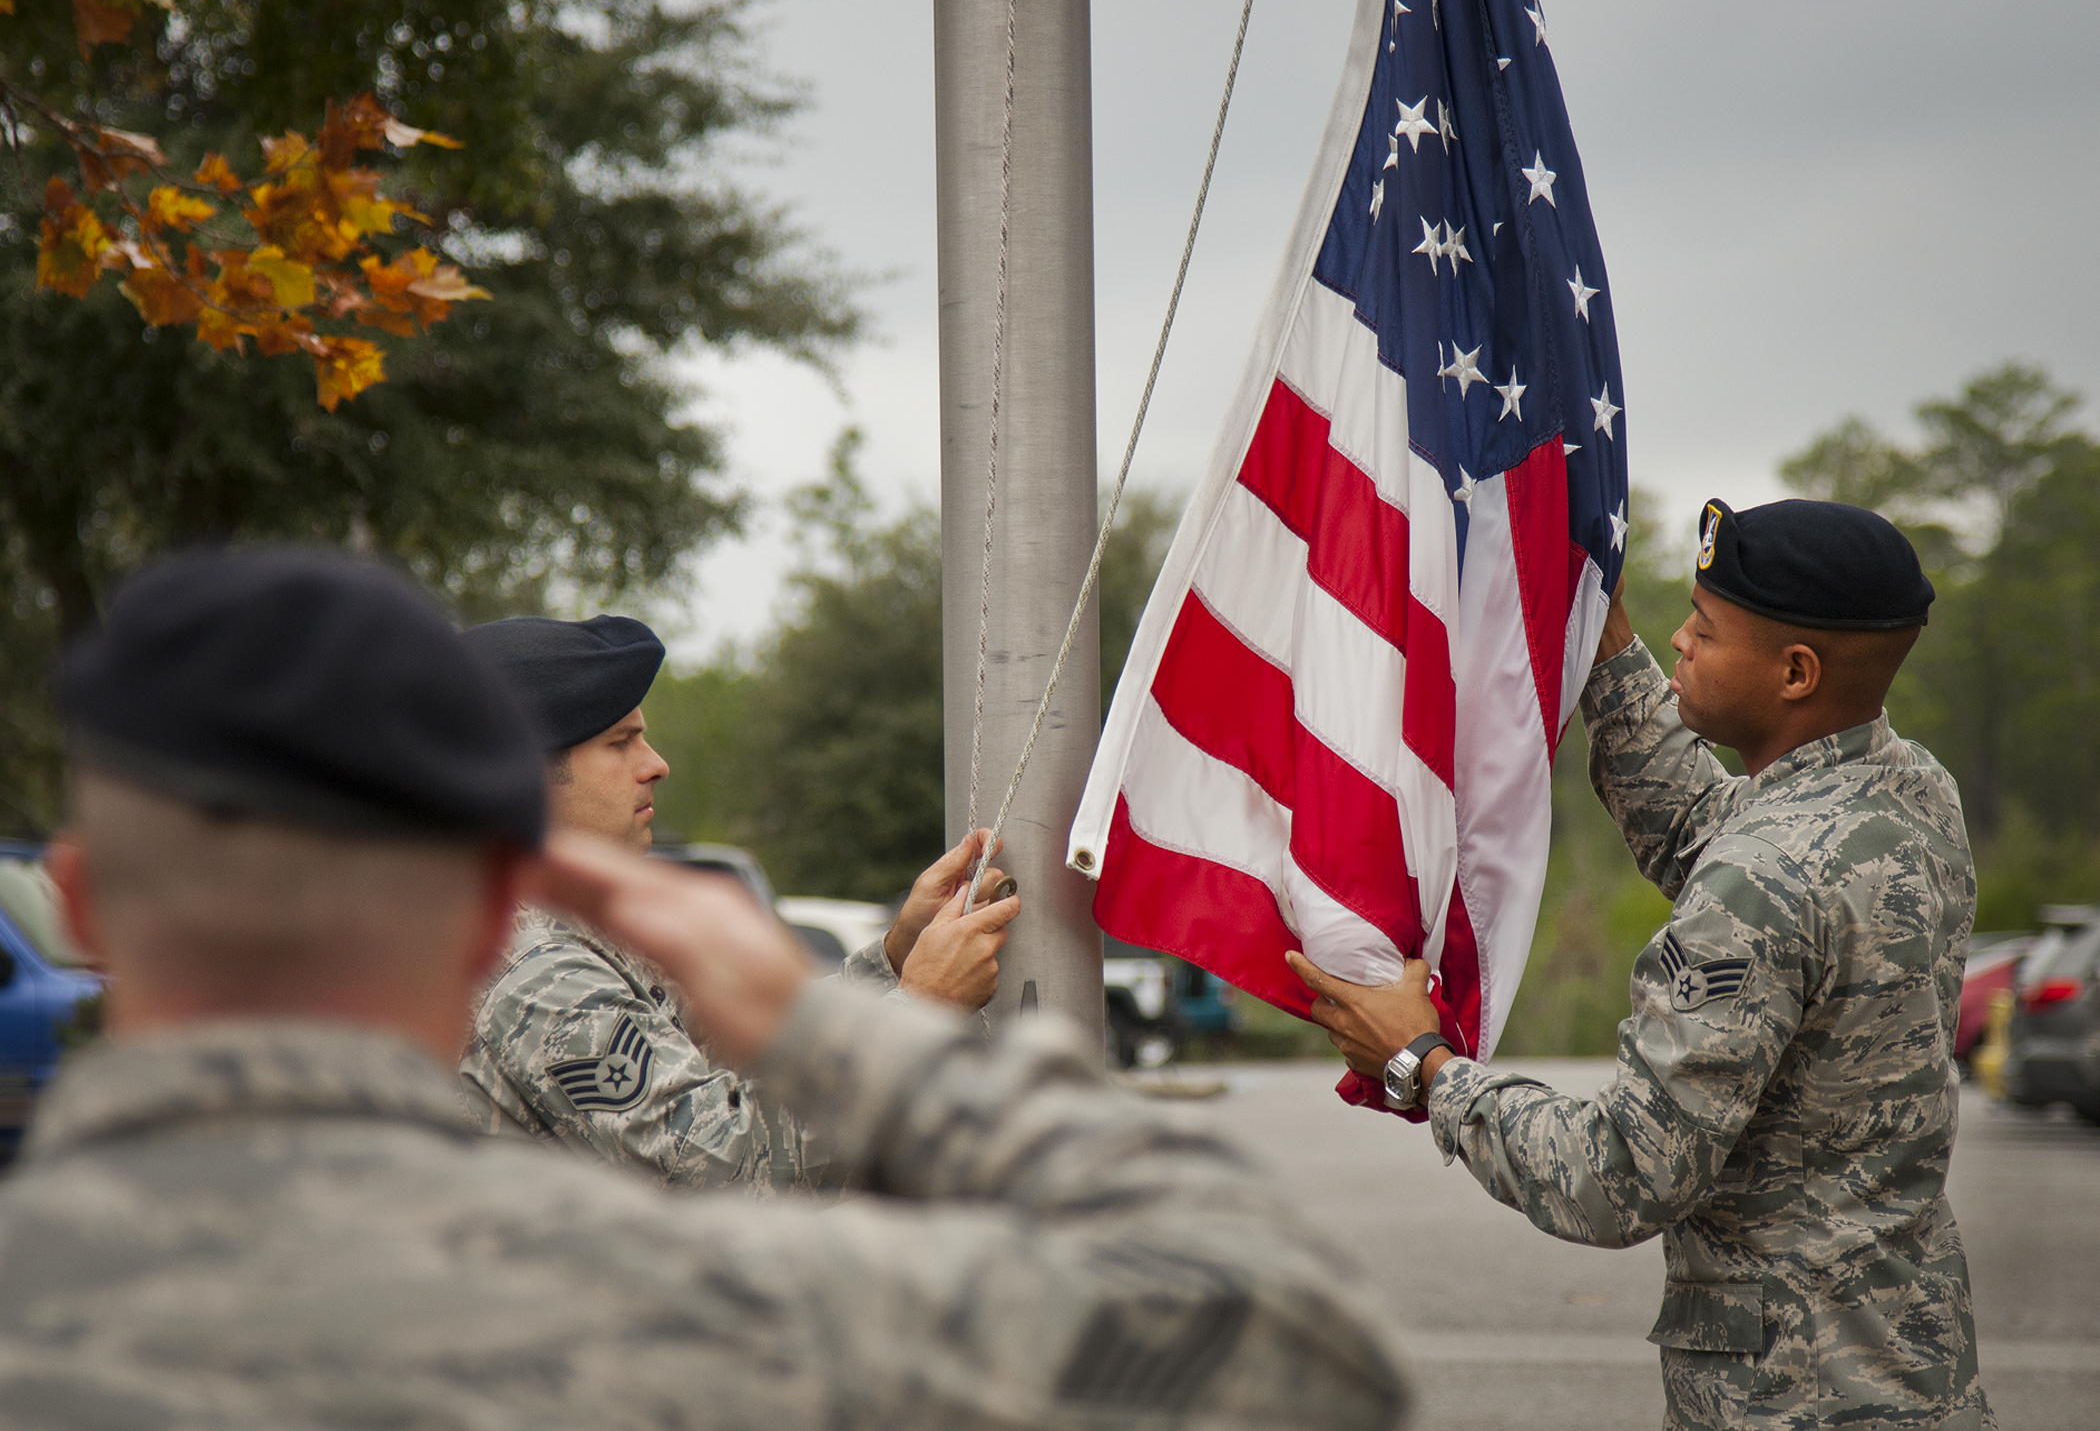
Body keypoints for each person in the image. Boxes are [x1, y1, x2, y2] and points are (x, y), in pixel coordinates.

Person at [0, 548, 1411, 1429]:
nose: (658, 763)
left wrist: (875, 969)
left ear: (84, 898)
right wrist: (886, 1036)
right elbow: (1296, 1349)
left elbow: (677, 1094)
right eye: (620, 740)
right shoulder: (621, 1295)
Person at [1291, 498, 1993, 1430]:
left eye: (1705, 628)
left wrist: (1426, 1067)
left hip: (1793, 1401)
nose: (1680, 640)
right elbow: (1709, 829)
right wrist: (1608, 648)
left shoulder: (1768, 877)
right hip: (1911, 1377)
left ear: (1796, 672)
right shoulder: (1912, 791)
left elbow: (1620, 1174)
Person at [457, 614, 1017, 1191]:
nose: (656, 765)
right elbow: (727, 1168)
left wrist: (897, 960)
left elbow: (743, 1052)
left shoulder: (563, 932)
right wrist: (919, 1008)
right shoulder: (536, 971)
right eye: (619, 743)